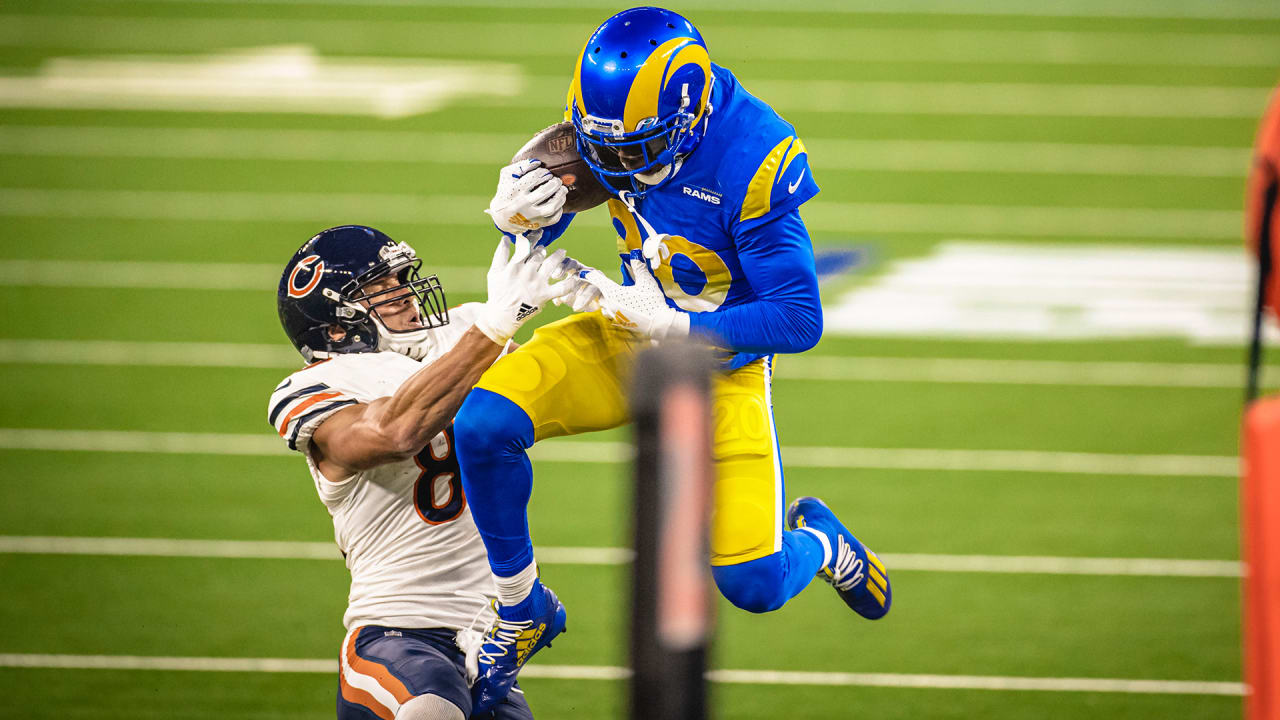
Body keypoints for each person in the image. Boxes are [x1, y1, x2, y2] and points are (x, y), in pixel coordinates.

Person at [454, 6, 892, 712]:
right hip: (627, 331)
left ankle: (823, 544)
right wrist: (521, 218)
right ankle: (520, 603)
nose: (620, 167)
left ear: (688, 115)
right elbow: (572, 192)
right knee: (479, 425)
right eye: (607, 149)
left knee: (751, 584)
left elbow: (798, 317)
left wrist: (680, 327)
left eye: (638, 150)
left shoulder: (753, 151)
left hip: (720, 363)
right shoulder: (614, 130)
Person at [269, 225, 577, 720]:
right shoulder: (316, 385)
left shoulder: (460, 337)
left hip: (485, 643)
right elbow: (394, 433)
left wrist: (621, 305)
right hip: (394, 633)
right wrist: (495, 327)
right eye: (385, 290)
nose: (409, 297)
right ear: (336, 327)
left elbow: (567, 386)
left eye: (403, 281)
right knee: (431, 710)